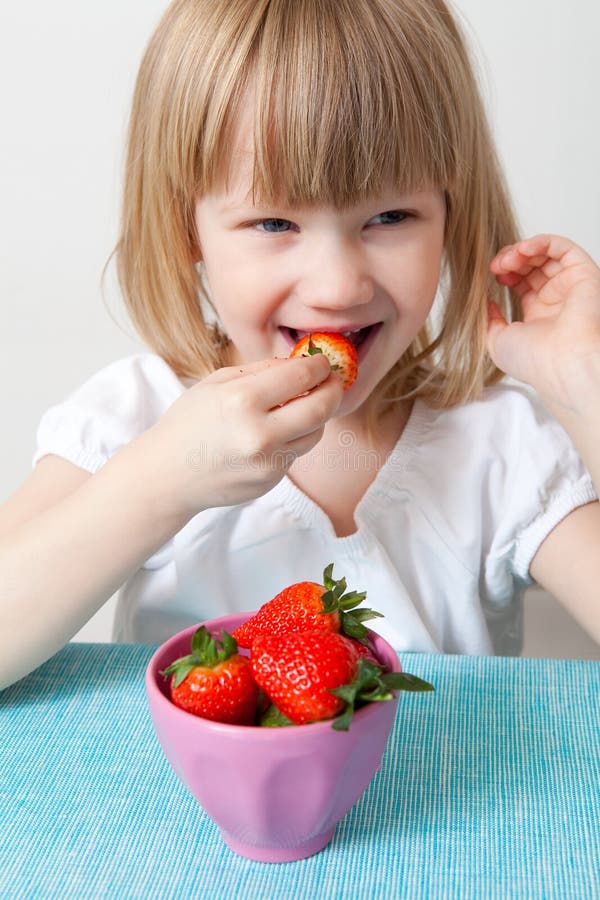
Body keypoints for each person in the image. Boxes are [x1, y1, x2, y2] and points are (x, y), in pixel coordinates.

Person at [1, 0, 599, 690]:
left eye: (390, 216)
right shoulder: (136, 417)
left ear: (451, 214)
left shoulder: (499, 446)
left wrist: (585, 386)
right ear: (187, 228)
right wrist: (160, 481)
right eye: (275, 222)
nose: (339, 287)